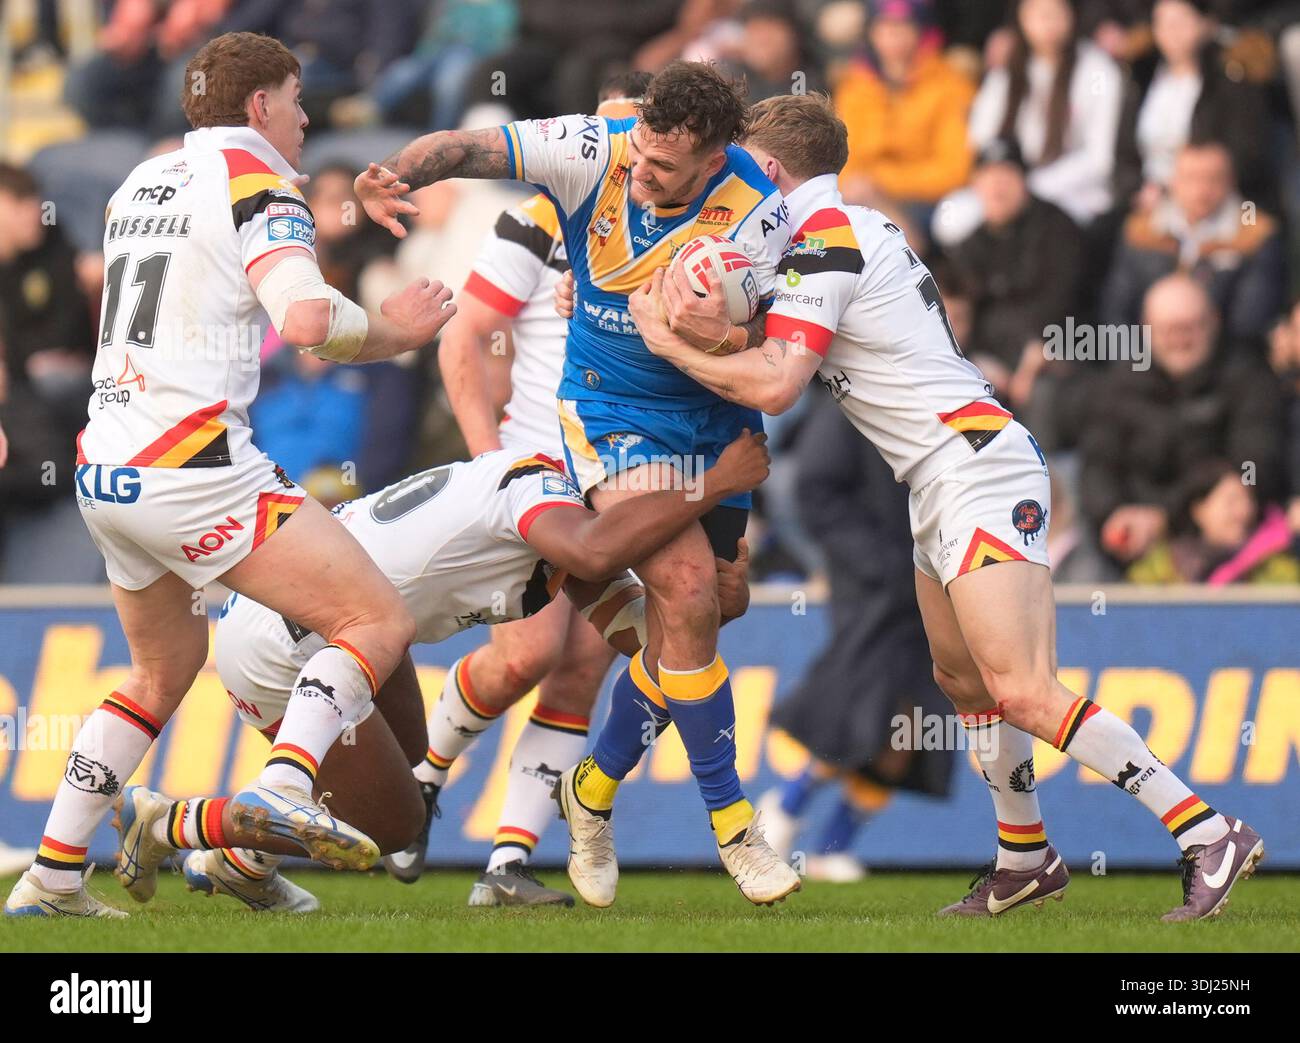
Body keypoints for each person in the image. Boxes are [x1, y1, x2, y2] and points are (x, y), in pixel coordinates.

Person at [623, 91, 1265, 922]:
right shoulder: (850, 232)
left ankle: (1207, 830)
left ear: (770, 169)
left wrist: (669, 339)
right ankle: (1023, 854)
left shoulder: (827, 242)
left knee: (1023, 687)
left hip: (975, 467)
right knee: (963, 680)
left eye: (744, 170)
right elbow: (768, 339)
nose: (735, 187)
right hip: (936, 476)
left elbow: (778, 384)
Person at [4, 32, 458, 919]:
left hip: (108, 468)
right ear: (259, 107)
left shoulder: (145, 177)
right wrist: (396, 331)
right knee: (376, 616)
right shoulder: (262, 184)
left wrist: (337, 217)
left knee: (158, 672)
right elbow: (301, 317)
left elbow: (214, 262)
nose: (306, 115)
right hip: (196, 467)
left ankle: (53, 872)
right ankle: (285, 785)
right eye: (295, 98)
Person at [355, 59, 800, 908]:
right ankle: (734, 826)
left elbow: (763, 339)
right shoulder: (592, 153)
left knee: (706, 610)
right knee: (673, 591)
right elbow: (463, 147)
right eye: (640, 151)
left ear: (714, 161)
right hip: (603, 418)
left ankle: (588, 791)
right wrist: (392, 175)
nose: (641, 174)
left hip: (710, 416)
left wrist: (720, 330)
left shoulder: (759, 216)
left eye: (666, 168)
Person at [111, 433, 766, 912]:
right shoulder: (543, 488)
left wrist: (708, 609)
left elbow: (653, 646)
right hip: (290, 632)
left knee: (404, 764)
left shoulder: (558, 509)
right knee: (395, 826)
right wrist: (711, 484)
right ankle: (174, 823)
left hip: (341, 620)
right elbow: (596, 545)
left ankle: (245, 859)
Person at [385, 74, 651, 907]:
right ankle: (420, 780)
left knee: (582, 666)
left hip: (622, 484)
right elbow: (464, 337)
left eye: (629, 136)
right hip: (537, 476)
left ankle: (506, 862)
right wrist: (488, 465)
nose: (610, 154)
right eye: (598, 133)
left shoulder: (683, 230)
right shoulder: (540, 218)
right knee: (528, 652)